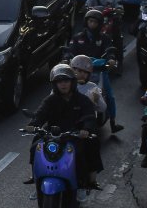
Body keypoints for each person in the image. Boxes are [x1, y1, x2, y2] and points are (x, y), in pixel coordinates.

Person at [27, 64, 100, 195]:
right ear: (55, 84)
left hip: (75, 135)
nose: (63, 84)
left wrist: (86, 129)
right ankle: (35, 178)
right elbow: (40, 114)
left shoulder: (82, 100)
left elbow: (90, 116)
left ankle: (85, 183)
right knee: (35, 146)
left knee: (85, 149)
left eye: (66, 81)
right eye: (59, 81)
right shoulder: (50, 100)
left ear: (72, 82)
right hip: (53, 135)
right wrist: (32, 125)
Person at [65, 9, 122, 133]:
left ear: (100, 24)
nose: (92, 24)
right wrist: (65, 59)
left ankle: (113, 122)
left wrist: (111, 59)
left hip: (99, 71)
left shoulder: (105, 38)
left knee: (110, 96)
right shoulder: (77, 38)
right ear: (86, 22)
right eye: (90, 21)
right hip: (78, 71)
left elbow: (110, 51)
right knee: (63, 88)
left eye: (95, 22)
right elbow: (69, 51)